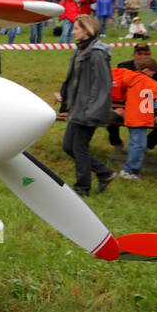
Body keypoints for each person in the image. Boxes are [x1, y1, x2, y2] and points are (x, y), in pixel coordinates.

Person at [56, 15, 116, 195]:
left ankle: (82, 188)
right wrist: (66, 99)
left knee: (79, 148)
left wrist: (92, 110)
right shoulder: (81, 50)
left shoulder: (96, 53)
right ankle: (104, 172)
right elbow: (75, 80)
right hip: (78, 108)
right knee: (68, 146)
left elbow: (102, 86)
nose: (73, 31)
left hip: (89, 110)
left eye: (76, 28)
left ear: (86, 30)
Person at [113, 55, 157, 180]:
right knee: (139, 145)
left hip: (130, 116)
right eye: (153, 73)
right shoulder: (150, 83)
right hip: (141, 118)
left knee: (135, 143)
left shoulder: (129, 77)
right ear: (146, 70)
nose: (154, 75)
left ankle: (130, 169)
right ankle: (130, 170)